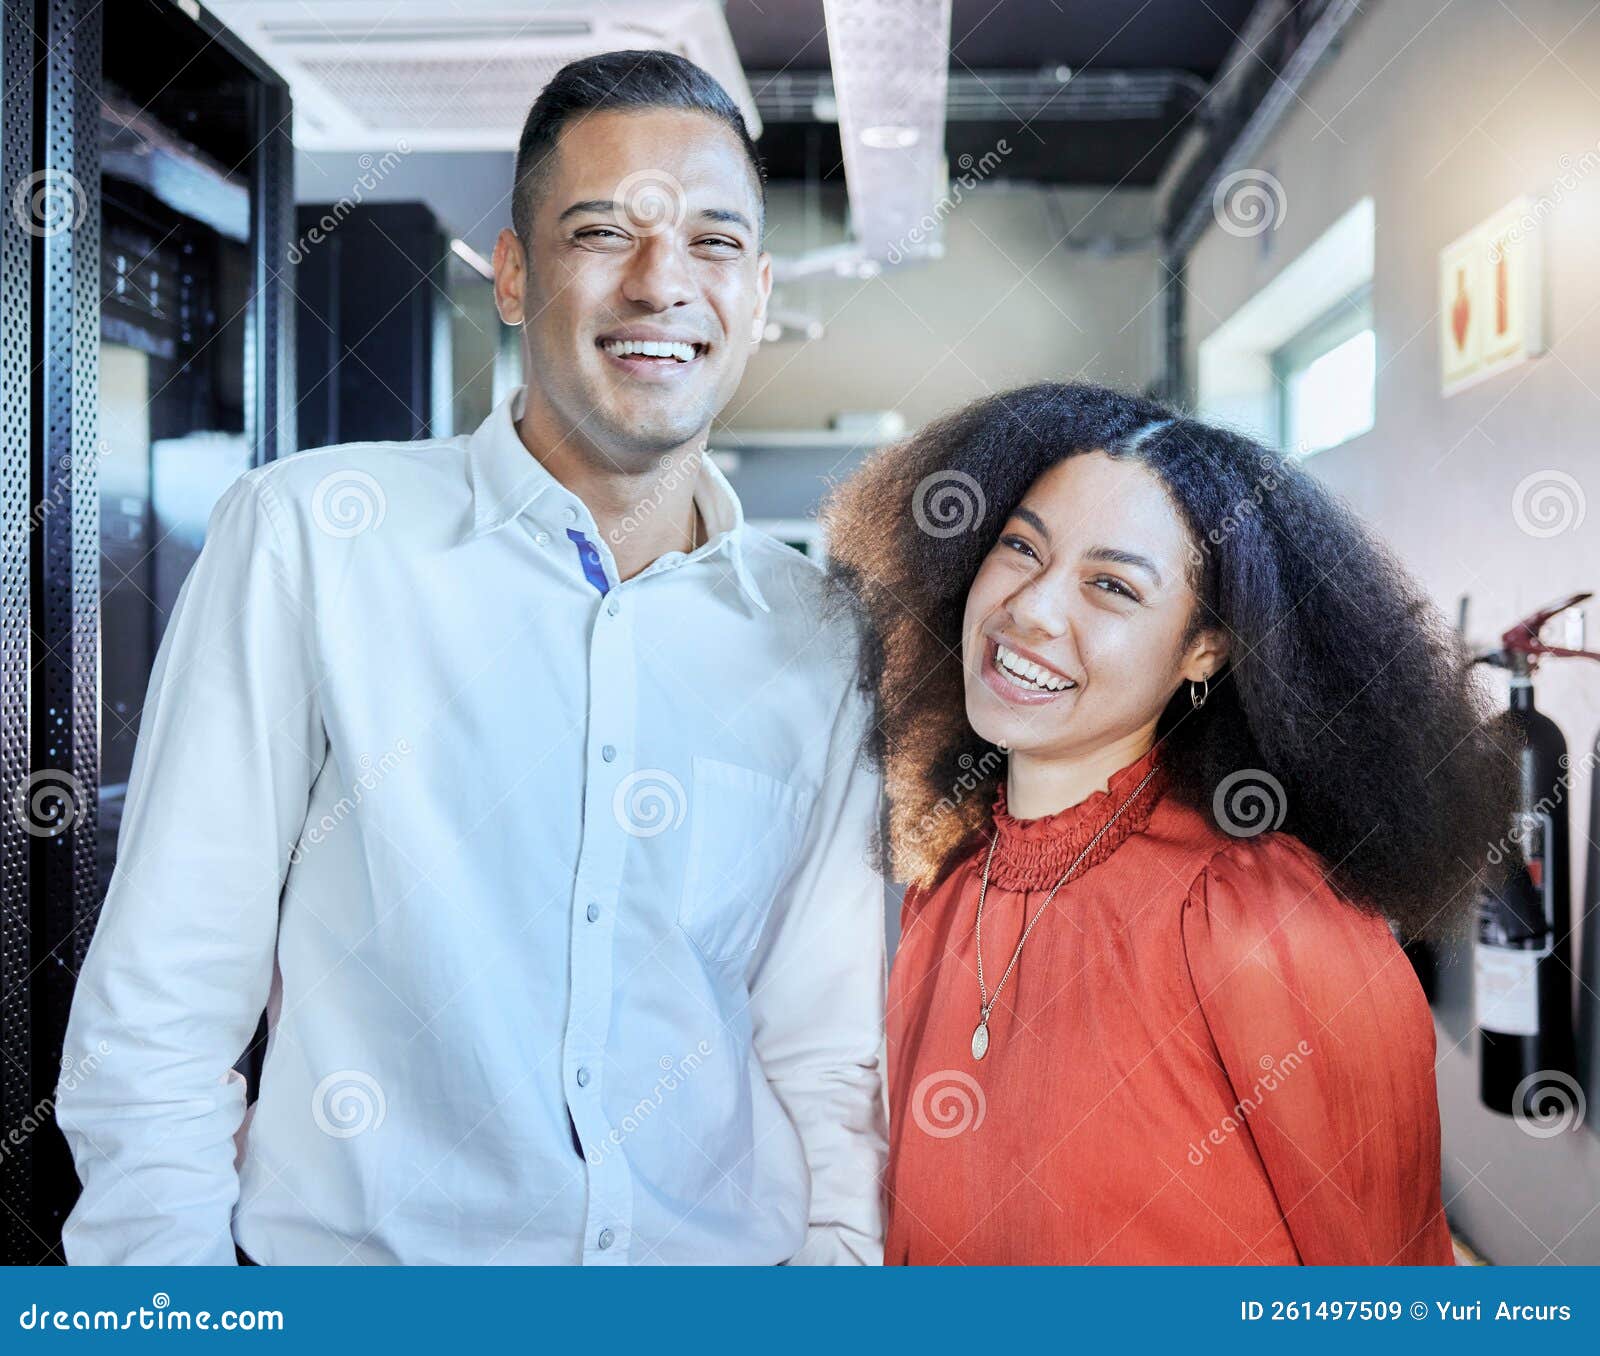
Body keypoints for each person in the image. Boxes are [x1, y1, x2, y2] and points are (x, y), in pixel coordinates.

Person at [55, 50, 887, 1266]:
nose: (664, 284)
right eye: (602, 231)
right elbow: (164, 999)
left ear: (756, 295)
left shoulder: (817, 635)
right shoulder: (314, 538)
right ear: (512, 274)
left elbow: (823, 1045)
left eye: (712, 244)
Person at [823, 382, 1513, 1265]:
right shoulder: (948, 889)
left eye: (1111, 585)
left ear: (1204, 649)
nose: (1031, 610)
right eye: (1020, 549)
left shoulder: (1258, 919)